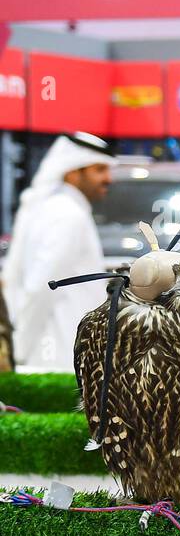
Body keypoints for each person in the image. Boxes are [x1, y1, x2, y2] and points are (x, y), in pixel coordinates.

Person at [3, 132, 115, 371]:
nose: (108, 178)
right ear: (73, 173)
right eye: (99, 170)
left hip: (66, 348)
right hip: (58, 353)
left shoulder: (63, 210)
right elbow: (42, 285)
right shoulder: (65, 214)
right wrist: (19, 349)